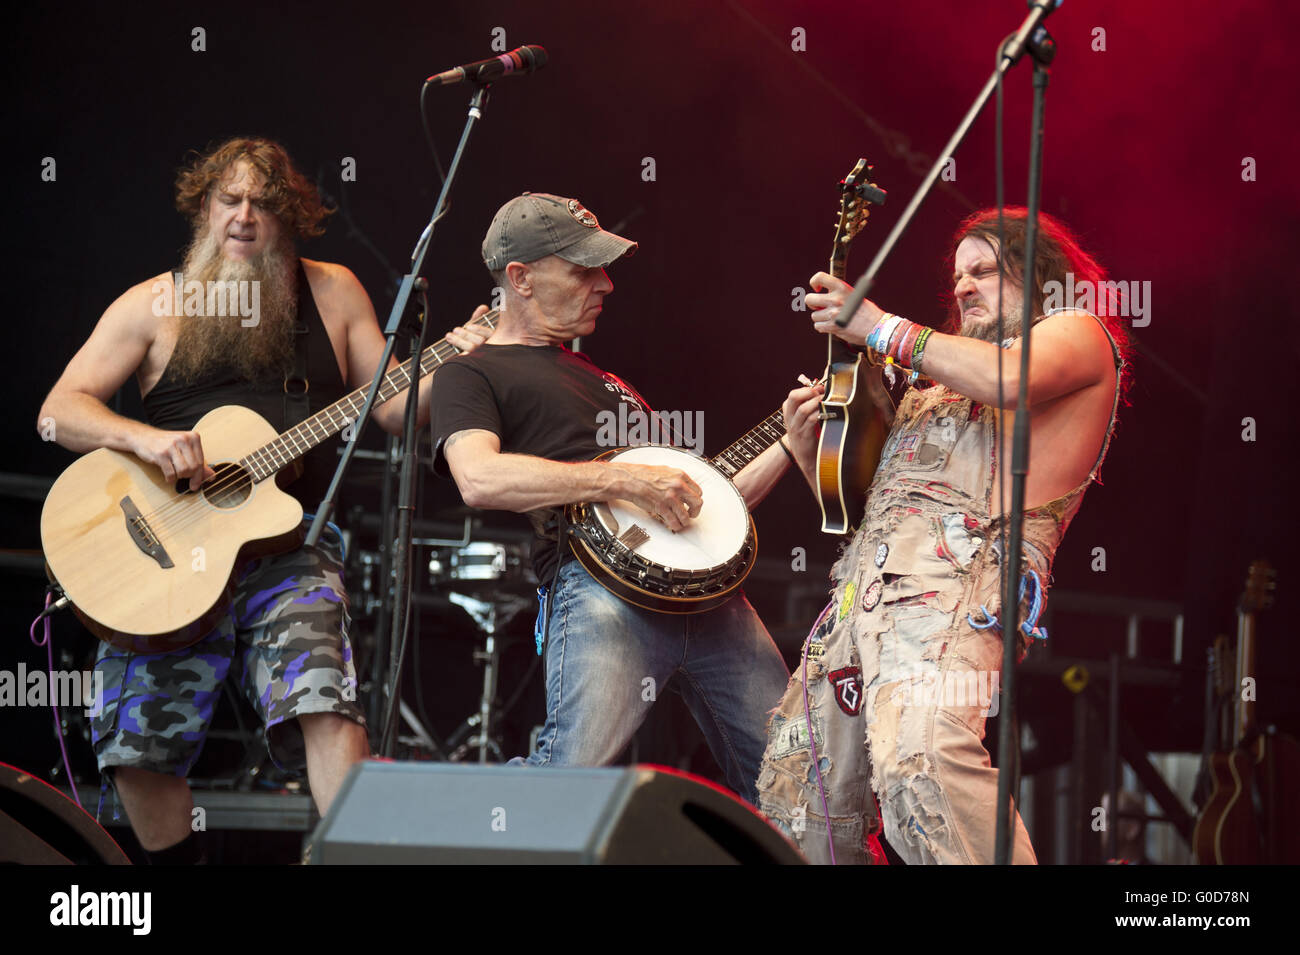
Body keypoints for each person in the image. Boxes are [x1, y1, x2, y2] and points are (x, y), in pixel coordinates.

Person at [37, 137, 490, 863]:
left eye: (264, 203)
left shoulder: (334, 290)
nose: (245, 216)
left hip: (292, 545)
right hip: (164, 558)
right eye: (230, 199)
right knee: (136, 749)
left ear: (291, 217)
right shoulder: (155, 302)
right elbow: (58, 410)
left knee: (325, 702)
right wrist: (146, 441)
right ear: (204, 209)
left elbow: (396, 407)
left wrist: (465, 354)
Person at [759, 208, 1130, 864]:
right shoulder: (934, 388)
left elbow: (1006, 380)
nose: (962, 286)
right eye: (958, 275)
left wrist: (881, 326)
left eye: (984, 270)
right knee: (801, 795)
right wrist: (810, 448)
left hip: (961, 581)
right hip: (862, 600)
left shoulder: (1077, 332)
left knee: (924, 762)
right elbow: (869, 512)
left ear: (1041, 276)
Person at [429, 192, 792, 804]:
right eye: (583, 269)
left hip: (710, 597)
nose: (606, 284)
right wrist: (622, 480)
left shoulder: (609, 382)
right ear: (519, 278)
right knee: (569, 784)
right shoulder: (472, 372)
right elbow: (479, 479)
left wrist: (790, 438)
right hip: (599, 592)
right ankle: (443, 827)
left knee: (795, 776)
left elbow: (707, 505)